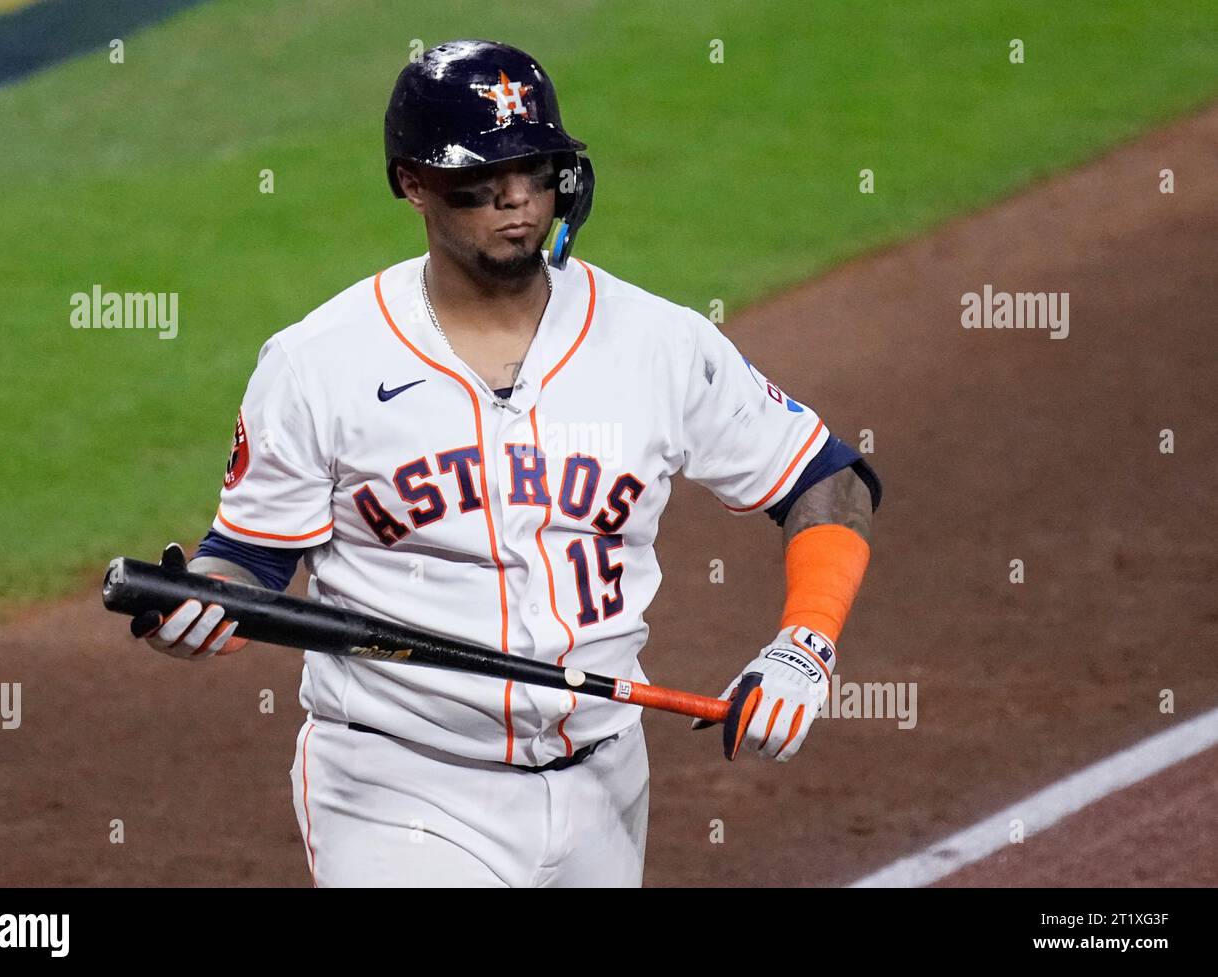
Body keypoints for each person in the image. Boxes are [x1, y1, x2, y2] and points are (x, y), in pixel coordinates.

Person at [137, 38, 880, 887]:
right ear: (410, 183)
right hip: (399, 788)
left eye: (534, 172)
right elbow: (249, 562)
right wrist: (204, 605)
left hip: (604, 777)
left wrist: (804, 645)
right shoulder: (319, 363)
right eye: (479, 184)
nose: (516, 203)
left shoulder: (657, 343)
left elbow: (829, 476)